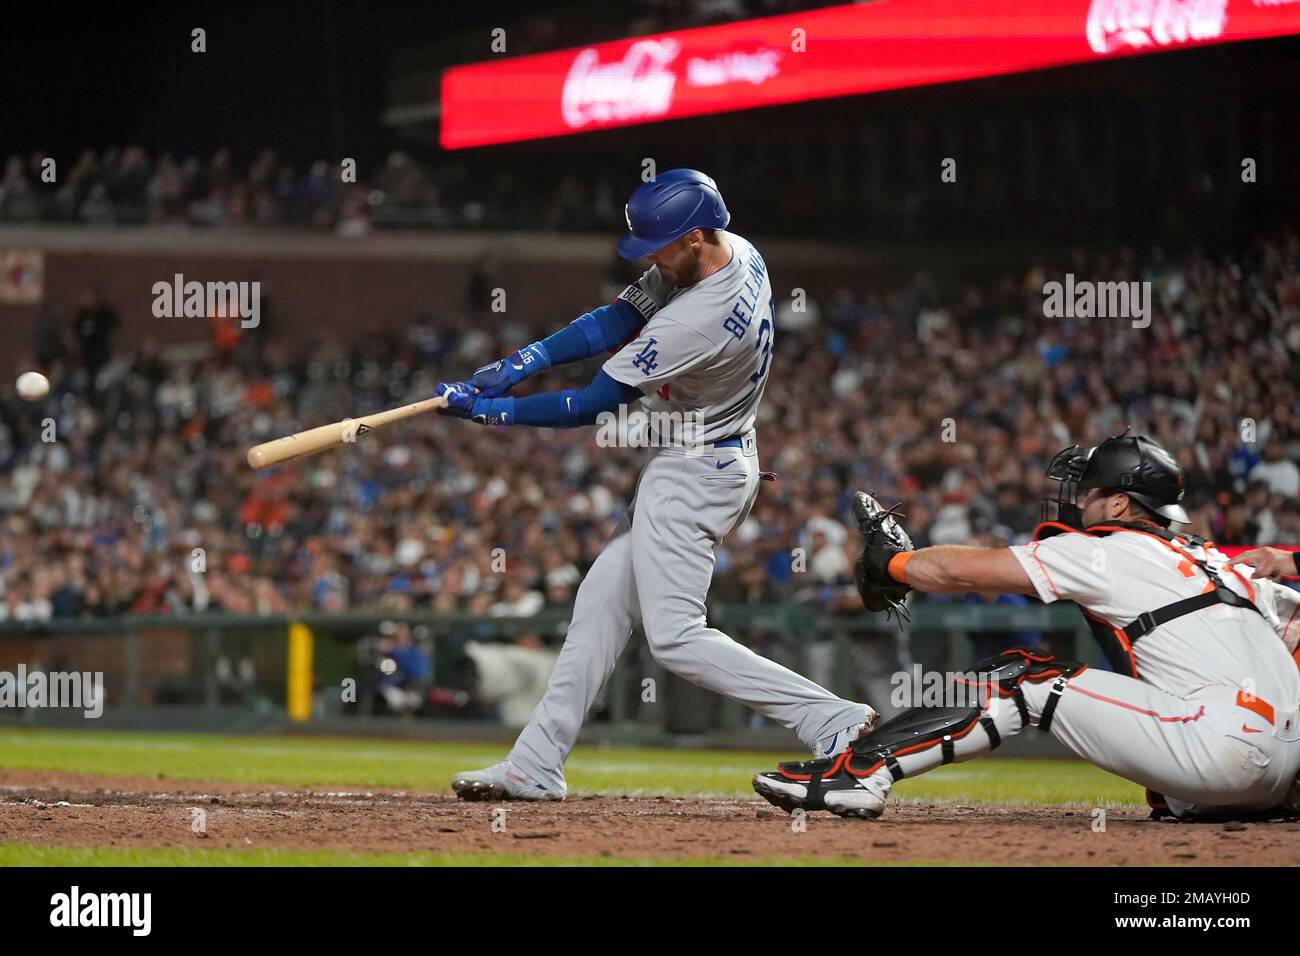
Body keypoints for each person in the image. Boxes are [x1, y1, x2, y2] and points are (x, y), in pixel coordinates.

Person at [435, 169, 875, 800]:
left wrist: (491, 411)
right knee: (598, 609)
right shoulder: (732, 250)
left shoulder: (703, 315)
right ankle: (534, 764)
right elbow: (618, 318)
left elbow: (594, 405)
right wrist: (523, 361)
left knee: (675, 637)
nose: (647, 259)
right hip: (708, 453)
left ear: (695, 236)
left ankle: (832, 718)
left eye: (657, 247)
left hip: (697, 468)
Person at [754, 434, 1300, 821]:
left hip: (1220, 749)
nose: (1079, 501)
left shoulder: (1111, 550)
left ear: (1118, 502)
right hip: (1279, 775)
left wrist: (895, 565)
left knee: (1023, 675)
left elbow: (961, 571)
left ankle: (858, 774)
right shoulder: (1227, 566)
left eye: (1088, 492)